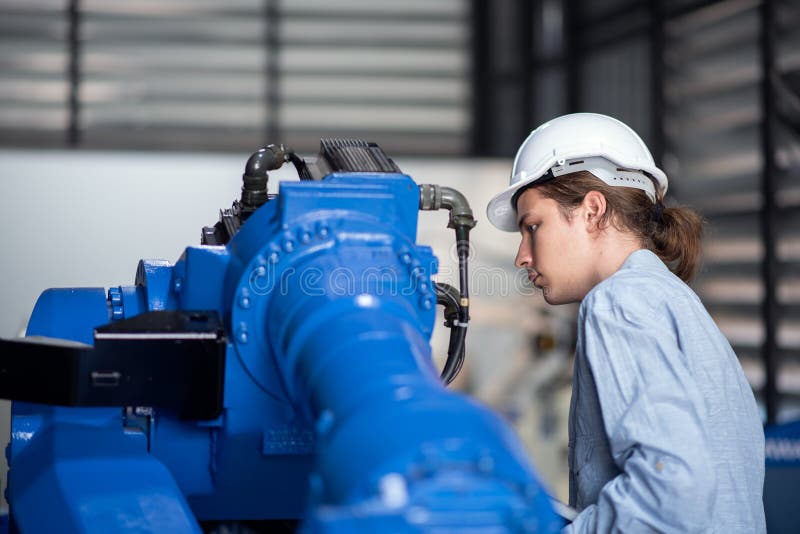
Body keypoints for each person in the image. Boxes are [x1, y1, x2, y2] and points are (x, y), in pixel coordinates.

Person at [486, 113, 766, 533]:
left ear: (592, 210)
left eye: (533, 227)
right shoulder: (676, 302)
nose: (522, 256)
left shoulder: (618, 301)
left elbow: (669, 493)